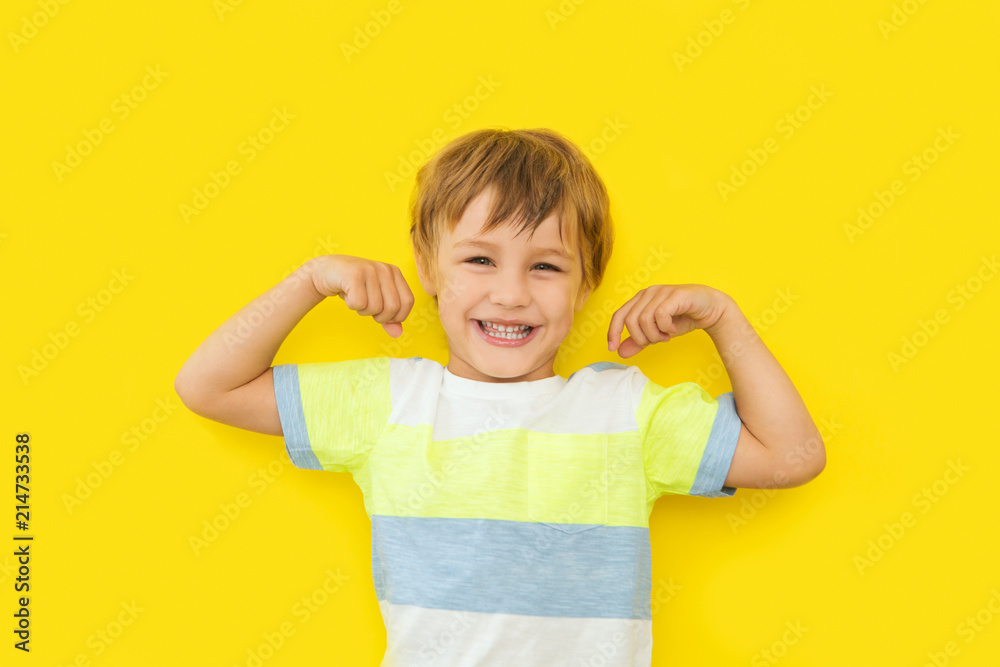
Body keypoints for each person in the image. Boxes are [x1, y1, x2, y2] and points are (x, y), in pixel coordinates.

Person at [174, 127, 826, 666]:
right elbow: (206, 385)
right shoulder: (388, 402)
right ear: (428, 268)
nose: (512, 293)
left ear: (586, 281)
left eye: (545, 266)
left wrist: (724, 319)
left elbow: (792, 455)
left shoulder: (624, 411)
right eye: (479, 260)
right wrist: (309, 281)